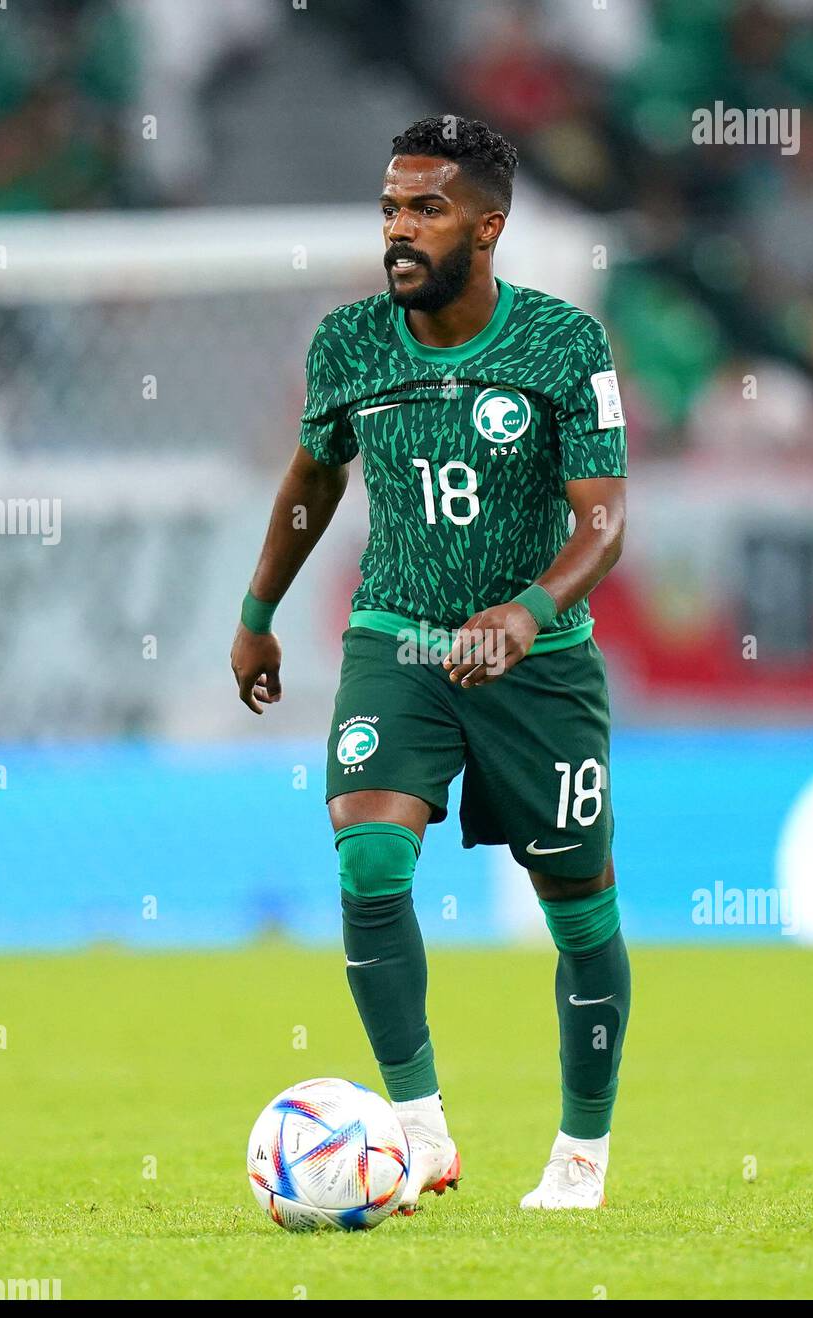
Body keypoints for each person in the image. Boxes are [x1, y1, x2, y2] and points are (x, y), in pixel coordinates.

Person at [231, 115, 630, 1212]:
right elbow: (314, 476)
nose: (398, 230)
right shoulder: (350, 343)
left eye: (426, 209)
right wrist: (258, 610)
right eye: (389, 209)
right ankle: (415, 1131)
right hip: (394, 637)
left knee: (577, 904)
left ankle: (579, 1155)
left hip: (539, 664)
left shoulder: (561, 343)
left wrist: (529, 609)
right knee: (368, 858)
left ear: (487, 227)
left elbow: (603, 520)